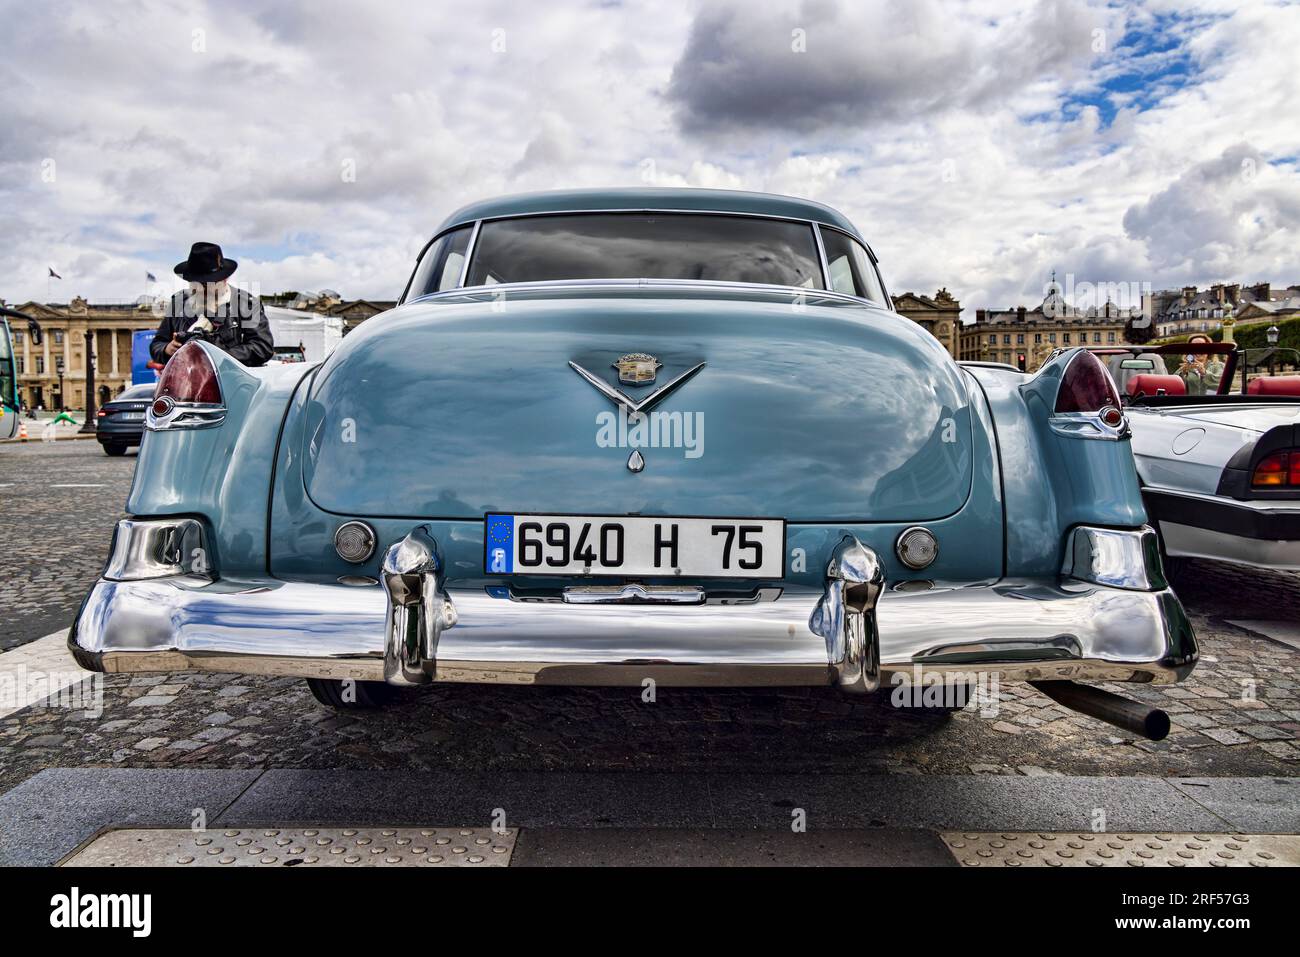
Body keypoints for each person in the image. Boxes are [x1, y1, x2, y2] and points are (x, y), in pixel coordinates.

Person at [150, 242, 273, 367]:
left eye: (207, 283)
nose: (200, 289)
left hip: (233, 382)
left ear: (224, 279)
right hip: (187, 383)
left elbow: (262, 347)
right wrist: (167, 349)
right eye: (195, 283)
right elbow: (156, 345)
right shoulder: (178, 303)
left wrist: (216, 357)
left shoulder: (246, 304)